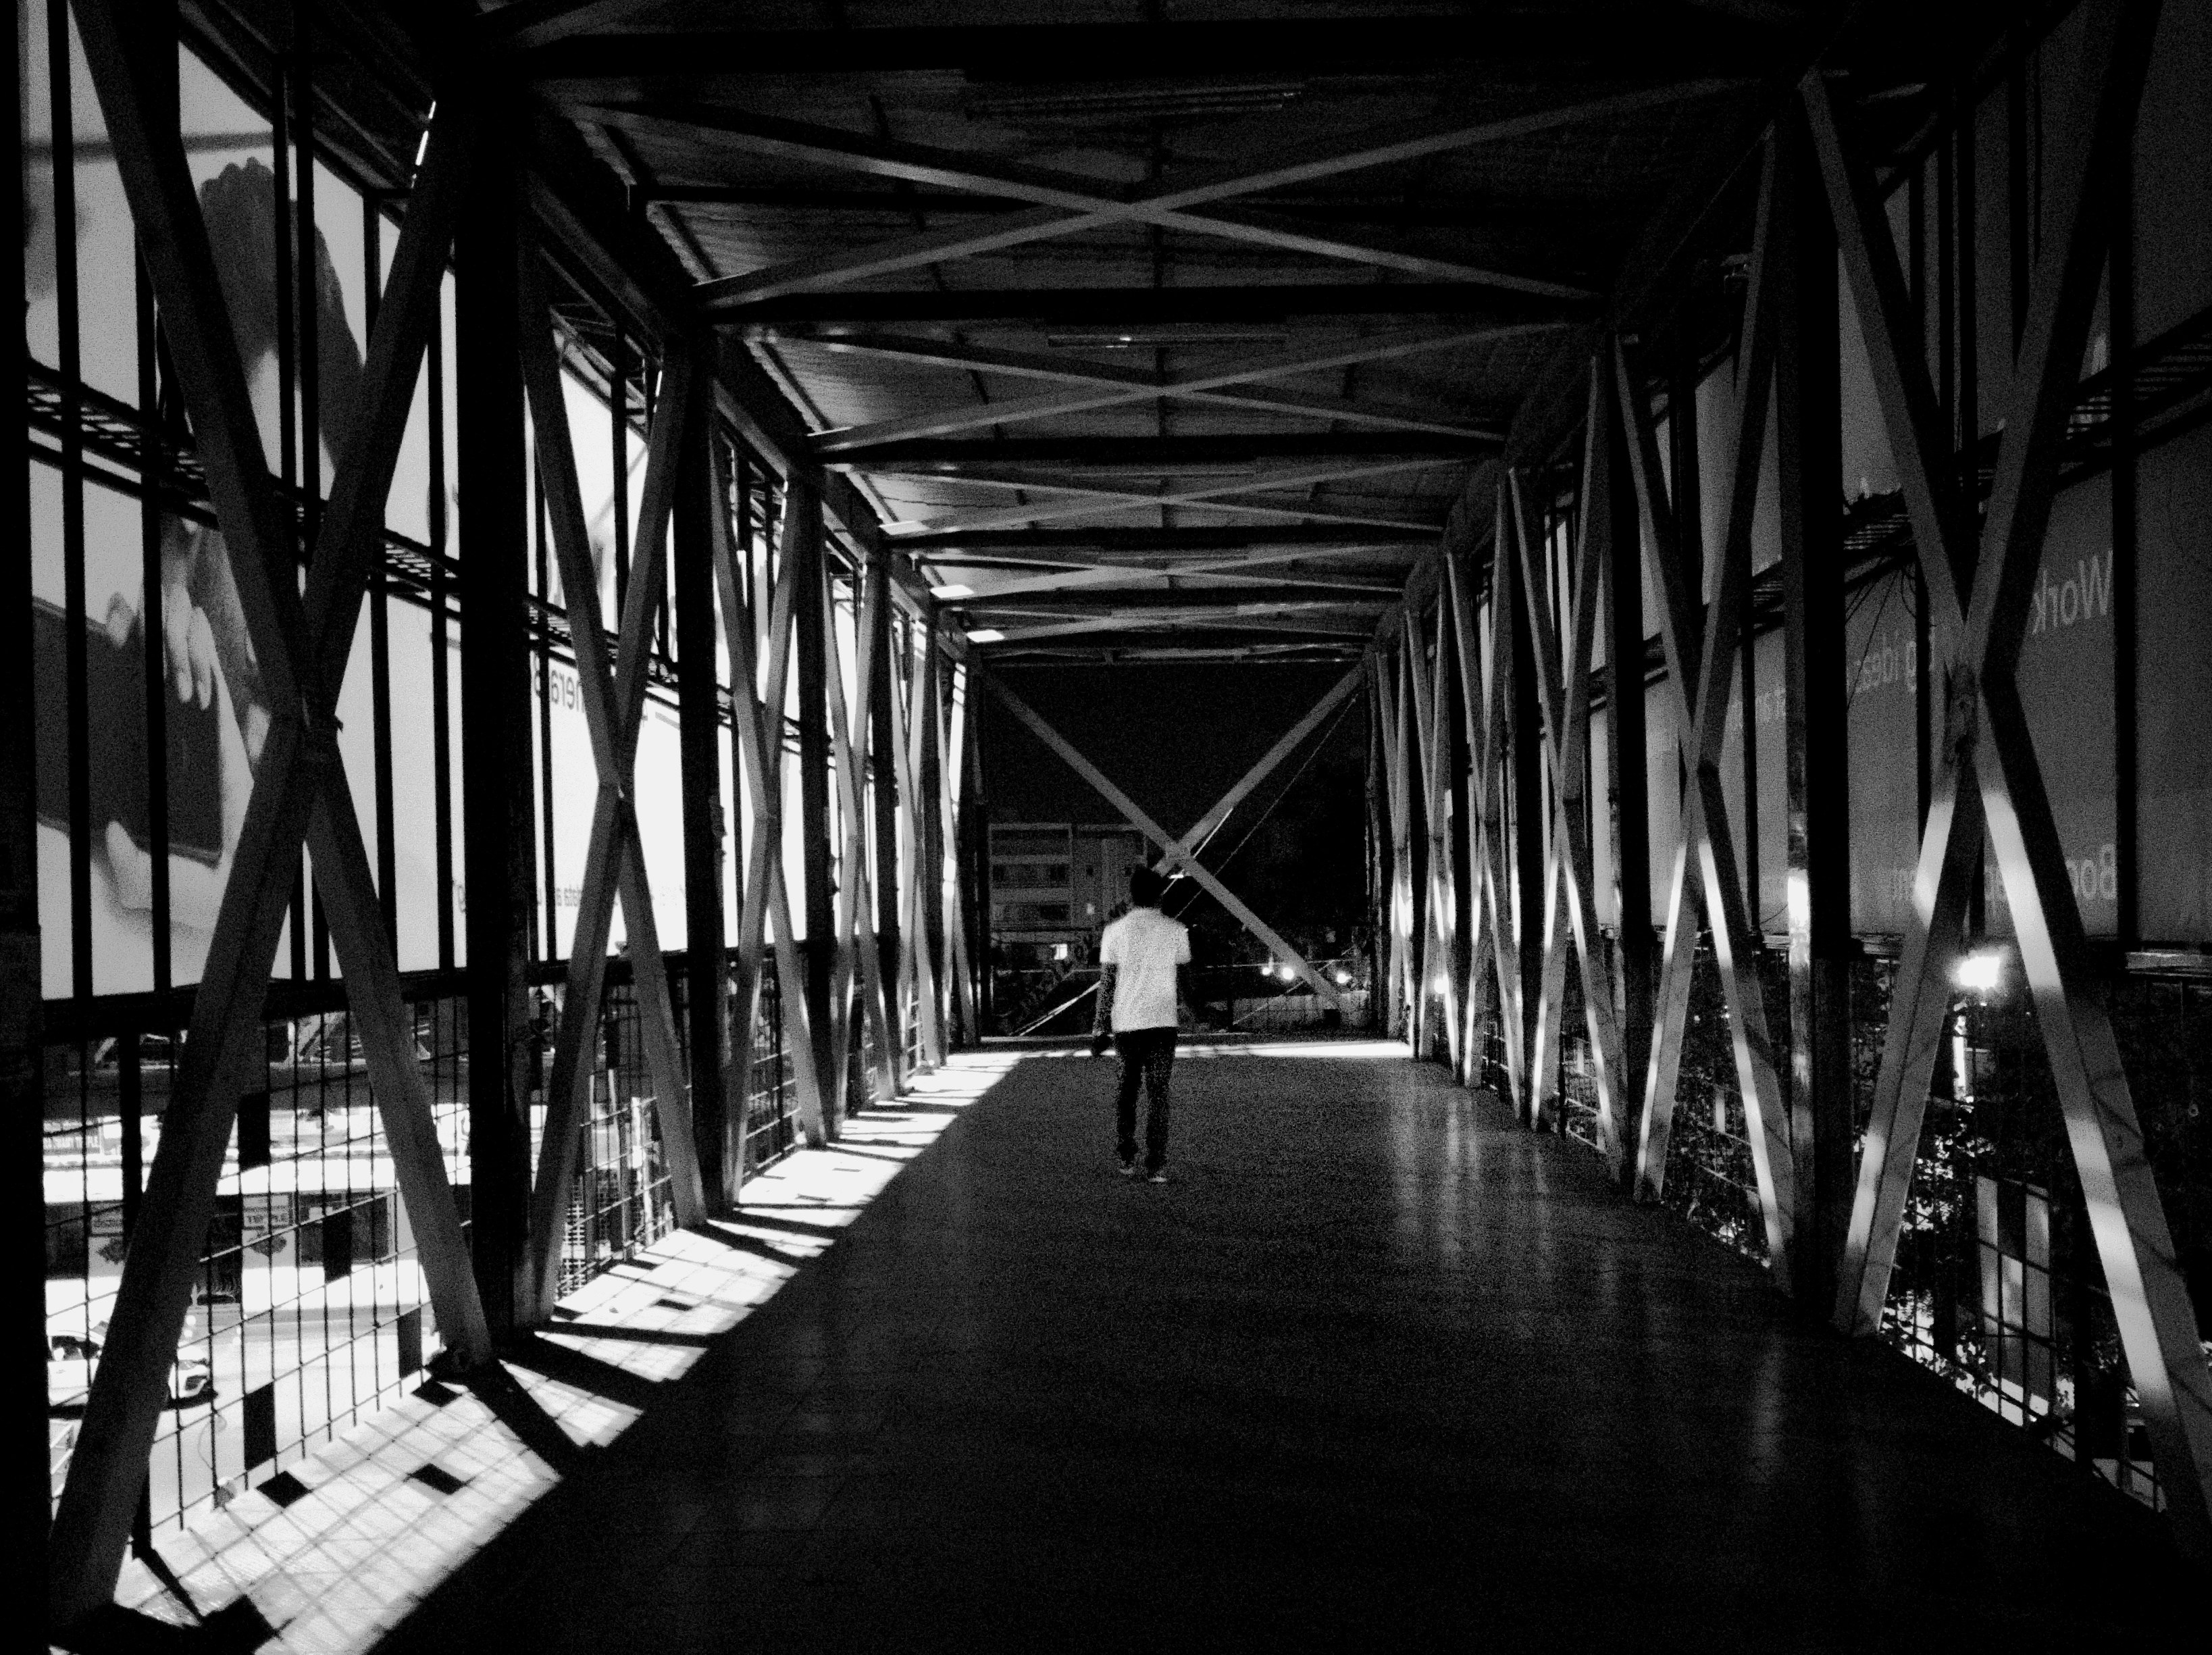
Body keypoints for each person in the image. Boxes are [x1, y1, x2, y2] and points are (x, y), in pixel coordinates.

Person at [1089, 866, 1193, 1183]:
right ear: (1159, 894)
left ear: (1131, 896)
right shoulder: (1176, 930)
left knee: (1127, 1090)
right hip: (1164, 1022)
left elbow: (1107, 983)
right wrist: (1192, 1011)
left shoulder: (1114, 931)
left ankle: (1125, 1155)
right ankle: (1157, 1165)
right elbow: (1185, 979)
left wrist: (1099, 1027)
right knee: (1158, 1094)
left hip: (1127, 1024)